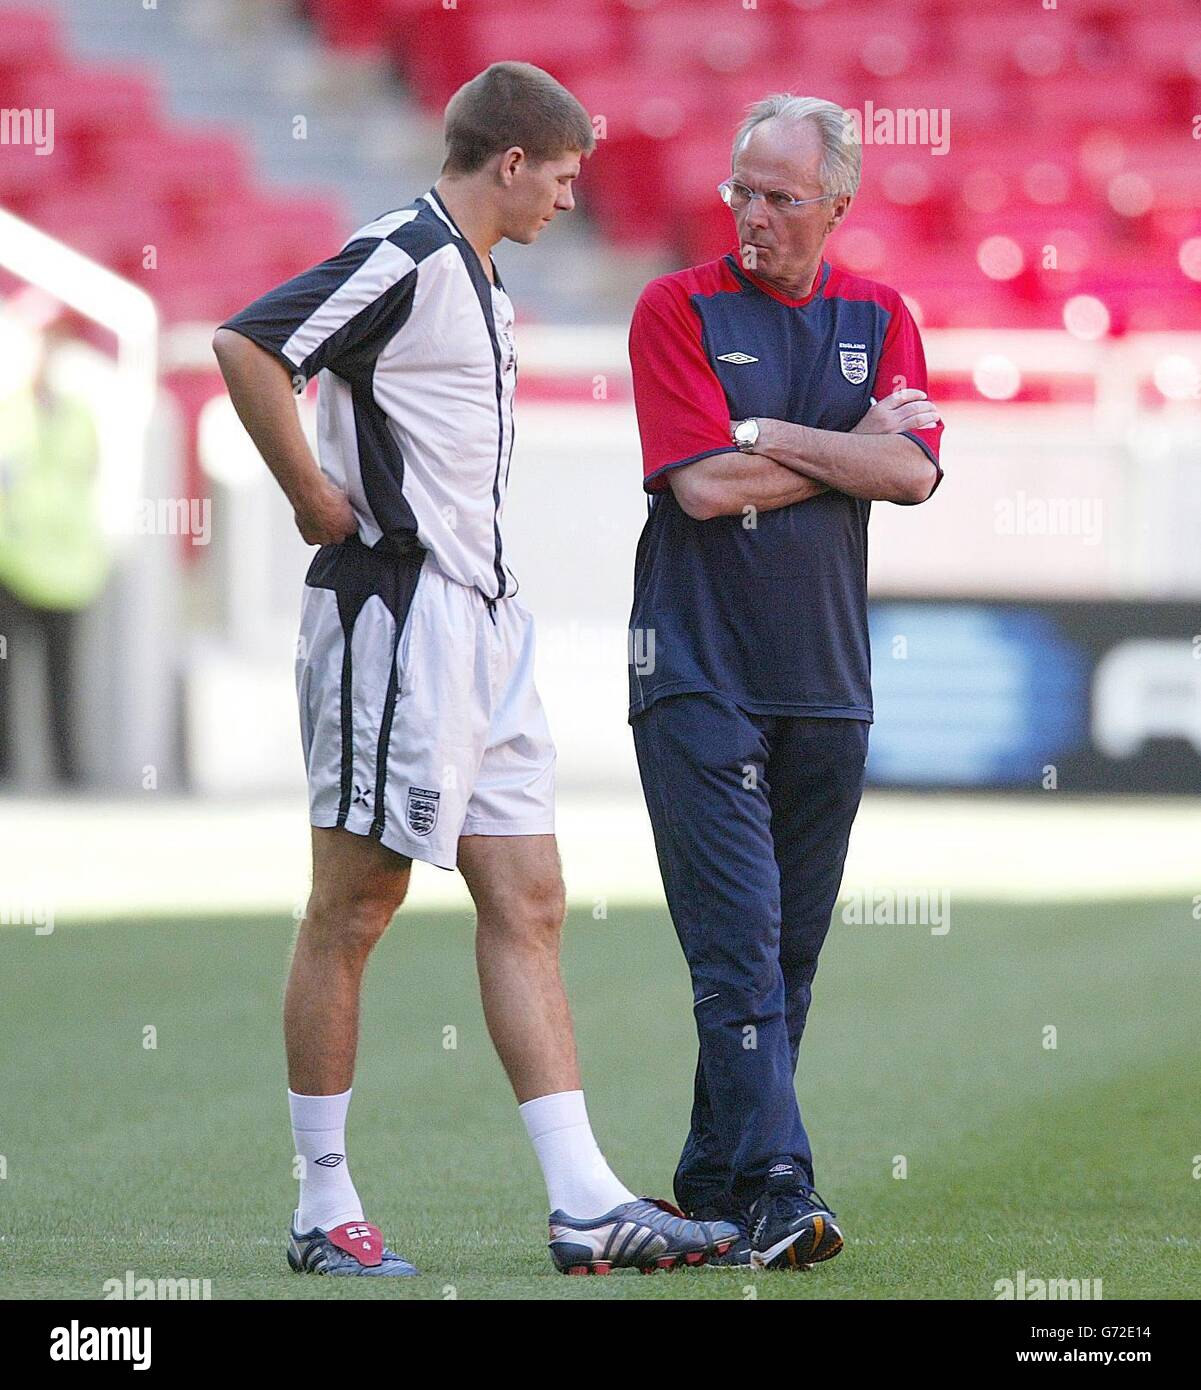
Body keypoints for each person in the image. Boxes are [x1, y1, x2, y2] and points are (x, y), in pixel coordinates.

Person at [213, 61, 737, 1278]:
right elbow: (247, 343)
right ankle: (321, 1203)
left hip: (488, 630)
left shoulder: (477, 273)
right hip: (396, 622)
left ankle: (583, 1199)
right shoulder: (404, 251)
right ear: (511, 162)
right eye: (561, 173)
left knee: (530, 900)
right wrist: (311, 495)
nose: (568, 196)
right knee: (355, 906)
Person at [626, 94, 945, 1270]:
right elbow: (702, 488)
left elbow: (912, 471)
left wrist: (763, 430)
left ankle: (708, 1183)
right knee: (740, 947)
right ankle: (776, 1184)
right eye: (740, 192)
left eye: (779, 197)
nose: (752, 216)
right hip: (696, 668)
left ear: (836, 205)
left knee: (788, 954)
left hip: (825, 680)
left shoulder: (882, 311)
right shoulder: (675, 307)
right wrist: (842, 442)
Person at [0, 297, 108, 787]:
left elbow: (87, 479)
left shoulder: (79, 414)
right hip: (11, 561)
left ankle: (69, 775)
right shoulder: (8, 412)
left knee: (64, 679)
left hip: (67, 566)